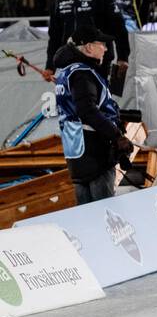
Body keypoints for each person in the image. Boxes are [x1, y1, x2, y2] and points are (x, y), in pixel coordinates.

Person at [53, 25, 135, 204]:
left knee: (87, 214)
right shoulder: (82, 73)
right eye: (102, 44)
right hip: (95, 153)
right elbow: (87, 110)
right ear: (89, 47)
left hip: (77, 151)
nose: (105, 49)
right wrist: (117, 136)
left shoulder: (67, 71)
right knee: (104, 214)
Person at [43, 0, 130, 92]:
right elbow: (54, 36)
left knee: (95, 107)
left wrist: (123, 57)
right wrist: (50, 66)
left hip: (98, 62)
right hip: (69, 62)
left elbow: (119, 27)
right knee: (74, 107)